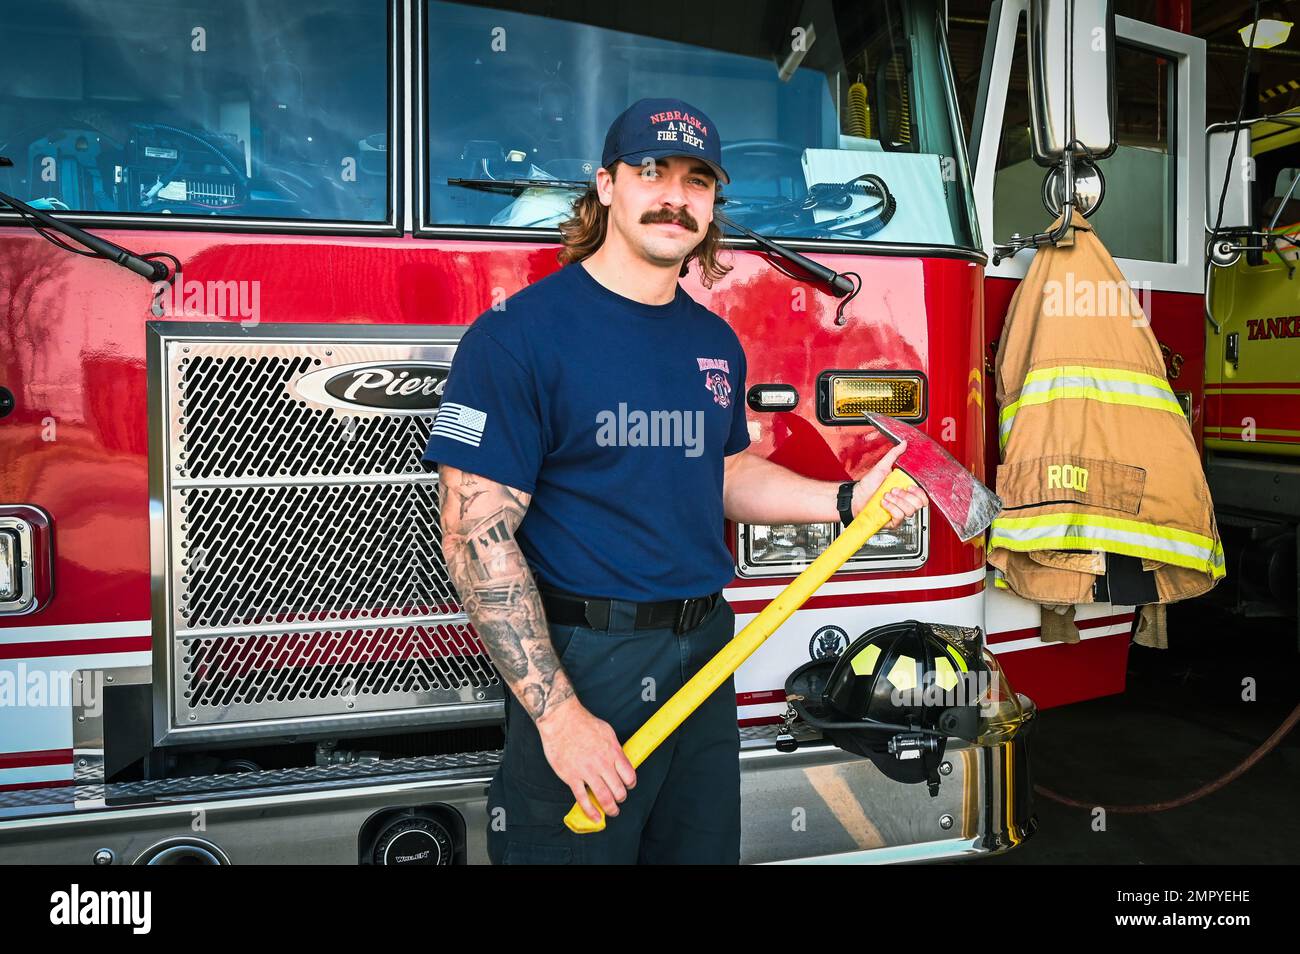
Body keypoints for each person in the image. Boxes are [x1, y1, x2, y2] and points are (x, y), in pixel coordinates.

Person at [421, 98, 927, 865]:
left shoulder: (711, 341)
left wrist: (849, 499)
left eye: (697, 180)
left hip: (704, 654)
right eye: (651, 171)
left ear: (714, 202)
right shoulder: (520, 335)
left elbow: (720, 472)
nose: (675, 196)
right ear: (605, 186)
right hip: (589, 664)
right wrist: (561, 720)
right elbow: (471, 535)